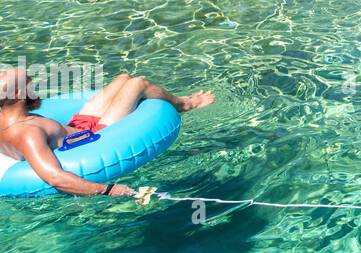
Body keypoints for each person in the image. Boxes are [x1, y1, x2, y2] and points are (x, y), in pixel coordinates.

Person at [0, 67, 214, 197]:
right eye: (30, 82)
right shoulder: (27, 133)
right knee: (138, 84)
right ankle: (185, 104)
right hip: (92, 138)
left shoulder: (11, 116)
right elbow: (55, 178)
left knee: (123, 79)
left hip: (78, 127)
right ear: (19, 94)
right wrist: (107, 190)